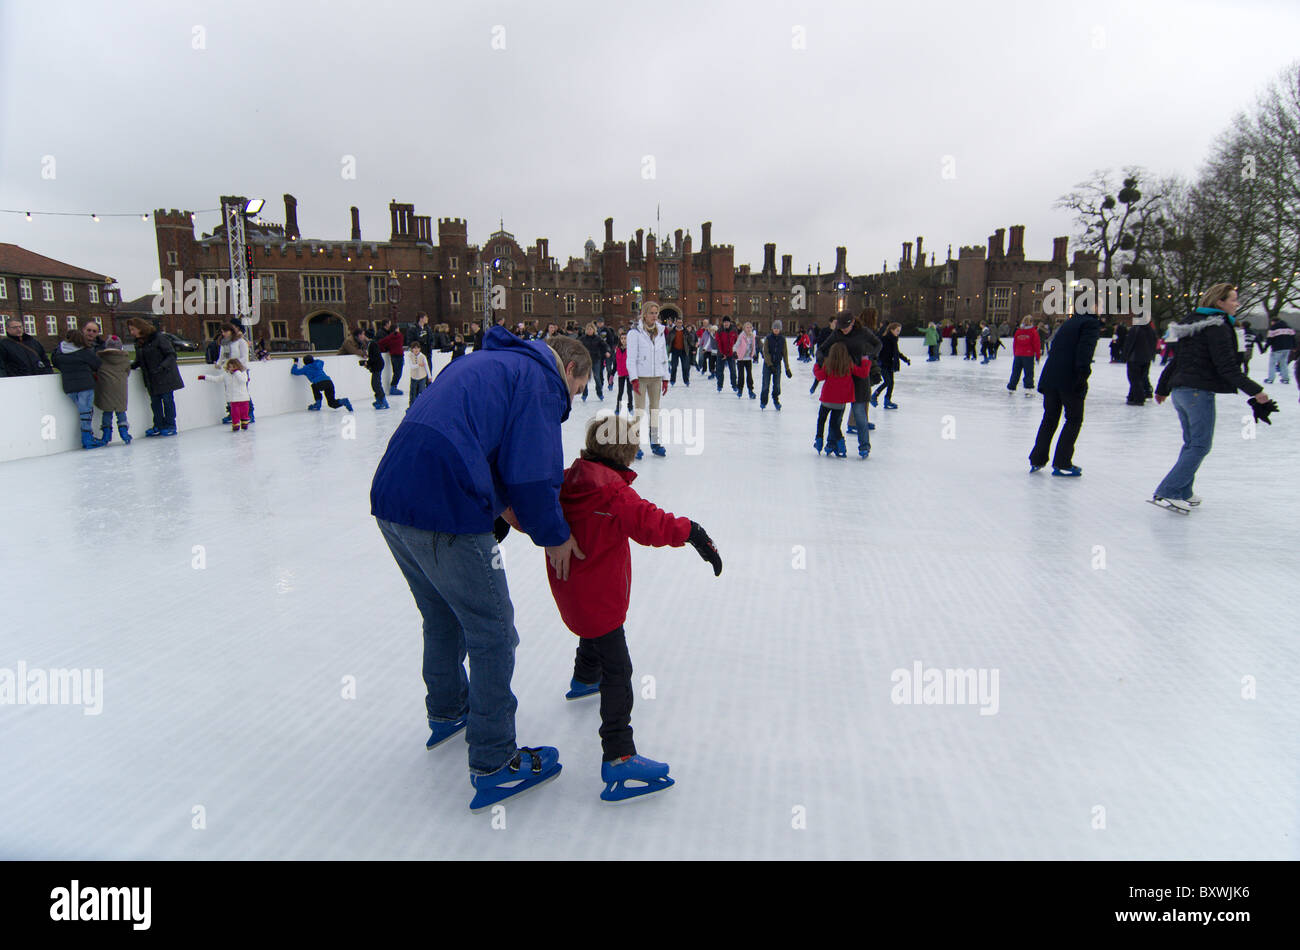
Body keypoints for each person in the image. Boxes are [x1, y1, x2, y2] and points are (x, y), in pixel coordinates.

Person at [369, 327, 591, 812]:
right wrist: (555, 535)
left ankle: (448, 711)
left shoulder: (487, 363)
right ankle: (494, 762)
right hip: (444, 505)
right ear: (569, 370)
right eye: (576, 392)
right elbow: (533, 475)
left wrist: (503, 505)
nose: (570, 403)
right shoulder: (539, 382)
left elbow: (479, 441)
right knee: (492, 633)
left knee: (444, 615)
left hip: (391, 496)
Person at [548, 413, 721, 800]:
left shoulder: (565, 479)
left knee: (592, 632)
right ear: (625, 451)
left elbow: (528, 507)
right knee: (620, 668)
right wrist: (693, 532)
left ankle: (583, 677)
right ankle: (619, 755)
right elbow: (651, 524)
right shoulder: (613, 492)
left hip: (571, 593)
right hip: (601, 599)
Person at [1150, 284, 1271, 512]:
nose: (1237, 304)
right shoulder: (1218, 328)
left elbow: (1178, 361)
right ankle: (1169, 489)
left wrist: (1163, 388)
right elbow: (1227, 367)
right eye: (1233, 300)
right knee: (1200, 445)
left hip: (1181, 391)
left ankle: (1183, 490)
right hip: (1197, 392)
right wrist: (1256, 391)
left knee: (1191, 443)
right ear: (1219, 303)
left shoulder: (1194, 324)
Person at [1027, 301, 1101, 476]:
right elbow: (1085, 352)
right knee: (1074, 419)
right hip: (1069, 378)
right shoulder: (1090, 323)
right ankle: (1062, 462)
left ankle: (1037, 458)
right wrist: (1082, 377)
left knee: (1050, 418)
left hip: (1051, 376)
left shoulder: (1069, 323)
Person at [816, 312, 879, 458]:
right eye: (841, 327)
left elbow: (877, 344)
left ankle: (864, 446)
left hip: (859, 378)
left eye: (845, 327)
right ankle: (832, 443)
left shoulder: (863, 332)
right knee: (836, 416)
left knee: (859, 414)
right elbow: (821, 349)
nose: (843, 330)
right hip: (841, 378)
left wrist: (869, 357)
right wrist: (822, 362)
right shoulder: (837, 334)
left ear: (852, 323)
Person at [626, 300, 671, 458]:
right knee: (639, 411)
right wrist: (634, 379)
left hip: (656, 377)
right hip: (641, 378)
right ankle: (635, 444)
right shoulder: (635, 333)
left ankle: (654, 442)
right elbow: (630, 359)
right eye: (651, 313)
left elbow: (663, 356)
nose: (654, 316)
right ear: (644, 314)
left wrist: (665, 378)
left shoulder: (660, 332)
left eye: (656, 313)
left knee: (655, 411)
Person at [813, 343, 871, 458]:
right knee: (834, 424)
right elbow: (863, 373)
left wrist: (816, 366)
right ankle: (841, 445)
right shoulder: (849, 365)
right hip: (840, 402)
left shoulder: (828, 364)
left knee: (821, 421)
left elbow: (820, 376)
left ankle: (819, 441)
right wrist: (865, 360)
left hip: (827, 399)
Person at [127, 318, 183, 436]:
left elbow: (171, 354)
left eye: (133, 329)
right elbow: (140, 360)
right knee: (155, 402)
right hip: (151, 378)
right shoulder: (138, 343)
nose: (131, 332)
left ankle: (170, 425)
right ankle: (158, 425)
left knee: (167, 400)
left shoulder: (158, 338)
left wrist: (162, 367)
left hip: (165, 376)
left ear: (140, 328)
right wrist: (130, 366)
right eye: (130, 330)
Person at [50, 329, 105, 449]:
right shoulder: (84, 351)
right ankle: (87, 439)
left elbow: (55, 362)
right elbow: (97, 364)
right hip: (85, 385)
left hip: (69, 386)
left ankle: (87, 437)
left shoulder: (59, 352)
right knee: (86, 412)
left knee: (83, 411)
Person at [94, 335, 133, 444]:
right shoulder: (125, 358)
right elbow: (127, 372)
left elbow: (96, 369)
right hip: (120, 388)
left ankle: (106, 435)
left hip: (105, 388)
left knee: (107, 412)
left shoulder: (101, 358)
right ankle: (124, 434)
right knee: (120, 411)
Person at [198, 358, 252, 431]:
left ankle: (244, 424)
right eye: (230, 367)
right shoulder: (226, 375)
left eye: (233, 367)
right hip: (233, 399)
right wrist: (205, 377)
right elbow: (216, 379)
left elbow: (243, 380)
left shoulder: (242, 373)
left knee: (244, 413)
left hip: (243, 398)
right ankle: (235, 425)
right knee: (234, 414)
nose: (231, 369)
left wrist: (237, 372)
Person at [217, 322, 254, 425]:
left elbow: (244, 357)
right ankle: (232, 414)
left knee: (243, 392)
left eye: (225, 331)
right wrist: (219, 364)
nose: (224, 334)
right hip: (229, 372)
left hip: (240, 371)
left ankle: (249, 414)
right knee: (230, 393)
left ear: (231, 331)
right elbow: (222, 356)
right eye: (222, 332)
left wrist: (236, 367)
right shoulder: (224, 343)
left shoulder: (240, 342)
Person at [871, 323, 910, 409]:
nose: (898, 333)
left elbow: (896, 352)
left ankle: (887, 400)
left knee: (891, 383)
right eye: (897, 330)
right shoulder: (884, 339)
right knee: (887, 382)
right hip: (883, 364)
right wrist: (878, 361)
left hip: (890, 364)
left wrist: (905, 359)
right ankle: (874, 396)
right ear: (892, 330)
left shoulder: (894, 339)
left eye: (899, 331)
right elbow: (878, 351)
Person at [1122, 319, 1158, 405]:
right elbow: (1154, 344)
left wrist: (1125, 355)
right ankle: (1132, 396)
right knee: (1140, 378)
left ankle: (1138, 398)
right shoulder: (1151, 330)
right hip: (1146, 358)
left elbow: (1129, 343)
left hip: (1135, 358)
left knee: (1134, 379)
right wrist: (1151, 356)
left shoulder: (1135, 329)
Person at [760, 319, 793, 410]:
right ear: (772, 329)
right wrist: (770, 365)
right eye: (774, 328)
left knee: (777, 386)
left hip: (777, 365)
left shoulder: (782, 339)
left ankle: (776, 400)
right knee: (766, 385)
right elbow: (765, 352)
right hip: (767, 365)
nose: (776, 330)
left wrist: (787, 369)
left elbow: (785, 354)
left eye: (778, 328)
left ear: (780, 329)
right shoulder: (768, 338)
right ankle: (763, 401)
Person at [1007, 316, 1042, 394]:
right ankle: (1028, 388)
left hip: (1018, 354)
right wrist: (1038, 356)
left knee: (1016, 371)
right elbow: (1036, 344)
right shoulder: (1033, 332)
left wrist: (1015, 353)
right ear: (1032, 322)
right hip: (1028, 355)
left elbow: (1015, 343)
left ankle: (1011, 387)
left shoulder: (1018, 331)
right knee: (1029, 372)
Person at [359, 328, 389, 409]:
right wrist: (368, 364)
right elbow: (373, 357)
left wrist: (367, 363)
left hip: (378, 366)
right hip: (376, 366)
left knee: (376, 384)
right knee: (375, 384)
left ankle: (382, 400)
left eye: (363, 335)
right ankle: (380, 399)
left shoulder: (372, 344)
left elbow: (375, 357)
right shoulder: (370, 344)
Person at [579, 322, 609, 402]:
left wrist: (607, 351)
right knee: (585, 378)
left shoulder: (598, 338)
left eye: (591, 329)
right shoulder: (582, 339)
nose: (589, 330)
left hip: (596, 360)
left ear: (594, 330)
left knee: (597, 377)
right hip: (586, 361)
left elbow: (604, 345)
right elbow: (577, 346)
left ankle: (599, 393)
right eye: (588, 329)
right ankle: (584, 394)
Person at [1262, 316, 1295, 384]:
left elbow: (1269, 339)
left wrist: (1265, 348)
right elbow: (1293, 338)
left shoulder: (1273, 328)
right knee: (1284, 363)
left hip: (1277, 348)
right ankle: (1285, 378)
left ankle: (1270, 379)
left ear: (1273, 322)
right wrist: (1294, 347)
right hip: (1287, 348)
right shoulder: (1289, 328)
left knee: (1272, 364)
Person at [377, 321, 405, 396]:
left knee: (396, 371)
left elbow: (380, 343)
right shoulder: (400, 335)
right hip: (399, 355)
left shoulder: (389, 337)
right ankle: (393, 387)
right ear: (396, 329)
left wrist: (385, 349)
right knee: (399, 372)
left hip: (393, 356)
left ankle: (393, 387)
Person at [666, 314, 694, 386]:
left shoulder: (685, 332)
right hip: (675, 350)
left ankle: (686, 381)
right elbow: (668, 340)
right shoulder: (672, 331)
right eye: (678, 322)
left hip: (683, 351)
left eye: (680, 322)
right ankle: (672, 380)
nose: (679, 324)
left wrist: (692, 348)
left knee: (685, 367)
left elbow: (690, 341)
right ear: (675, 323)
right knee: (674, 366)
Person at [734, 321, 758, 398]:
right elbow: (736, 344)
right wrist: (734, 352)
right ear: (744, 328)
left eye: (750, 327)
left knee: (749, 375)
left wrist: (754, 354)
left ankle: (750, 391)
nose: (748, 329)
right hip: (741, 358)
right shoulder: (741, 336)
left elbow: (753, 346)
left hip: (748, 358)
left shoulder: (752, 336)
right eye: (747, 327)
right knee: (741, 375)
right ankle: (740, 390)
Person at [714, 317, 738, 392]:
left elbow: (736, 342)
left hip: (731, 354)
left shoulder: (734, 331)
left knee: (733, 371)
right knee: (720, 371)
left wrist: (735, 352)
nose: (726, 324)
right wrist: (721, 353)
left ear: (730, 323)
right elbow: (718, 343)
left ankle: (734, 385)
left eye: (727, 322)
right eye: (725, 322)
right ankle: (719, 385)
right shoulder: (719, 331)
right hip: (721, 353)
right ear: (723, 323)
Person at [613, 330, 633, 415]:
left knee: (629, 391)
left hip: (629, 374)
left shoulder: (631, 349)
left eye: (625, 338)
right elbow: (615, 362)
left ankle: (630, 406)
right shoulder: (617, 349)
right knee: (620, 392)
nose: (623, 340)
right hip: (621, 373)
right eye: (622, 338)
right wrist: (612, 373)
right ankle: (618, 407)